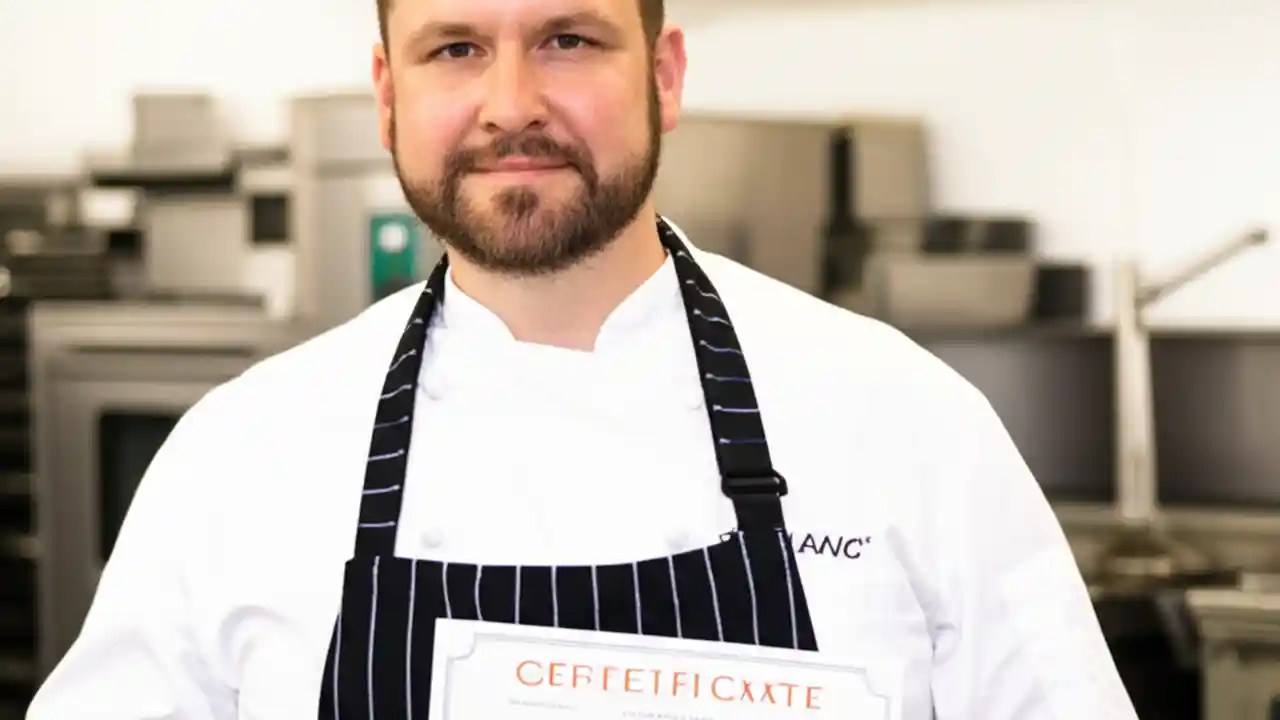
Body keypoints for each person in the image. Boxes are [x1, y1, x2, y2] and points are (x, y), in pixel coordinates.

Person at [26, 0, 1139, 718]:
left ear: (663, 73)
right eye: (455, 49)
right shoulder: (242, 452)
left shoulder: (901, 418)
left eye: (566, 39)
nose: (511, 105)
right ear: (387, 97)